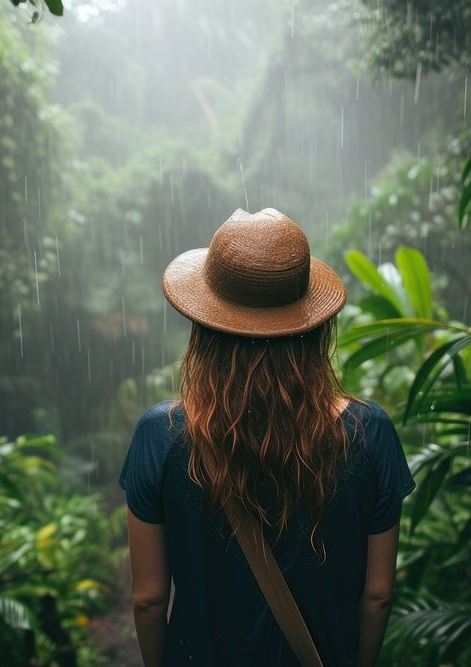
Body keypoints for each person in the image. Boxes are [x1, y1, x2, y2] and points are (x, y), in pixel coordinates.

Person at [118, 208, 415, 666]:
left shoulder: (160, 435)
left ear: (205, 325)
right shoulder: (369, 433)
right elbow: (377, 596)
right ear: (313, 327)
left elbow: (149, 599)